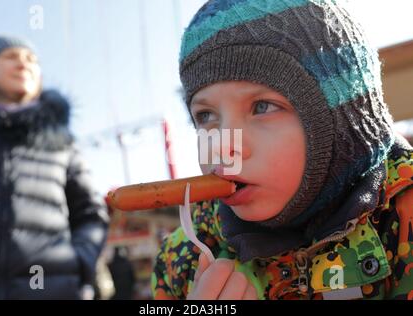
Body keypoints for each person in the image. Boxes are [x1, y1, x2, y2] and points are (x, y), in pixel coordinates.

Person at [152, 0, 413, 300]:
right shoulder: (181, 259)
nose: (223, 148)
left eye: (262, 107)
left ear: (342, 120)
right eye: (206, 116)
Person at [0, 35, 109, 299]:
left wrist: (78, 264)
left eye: (31, 60)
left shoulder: (62, 144)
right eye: (10, 56)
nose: (23, 64)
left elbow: (90, 213)